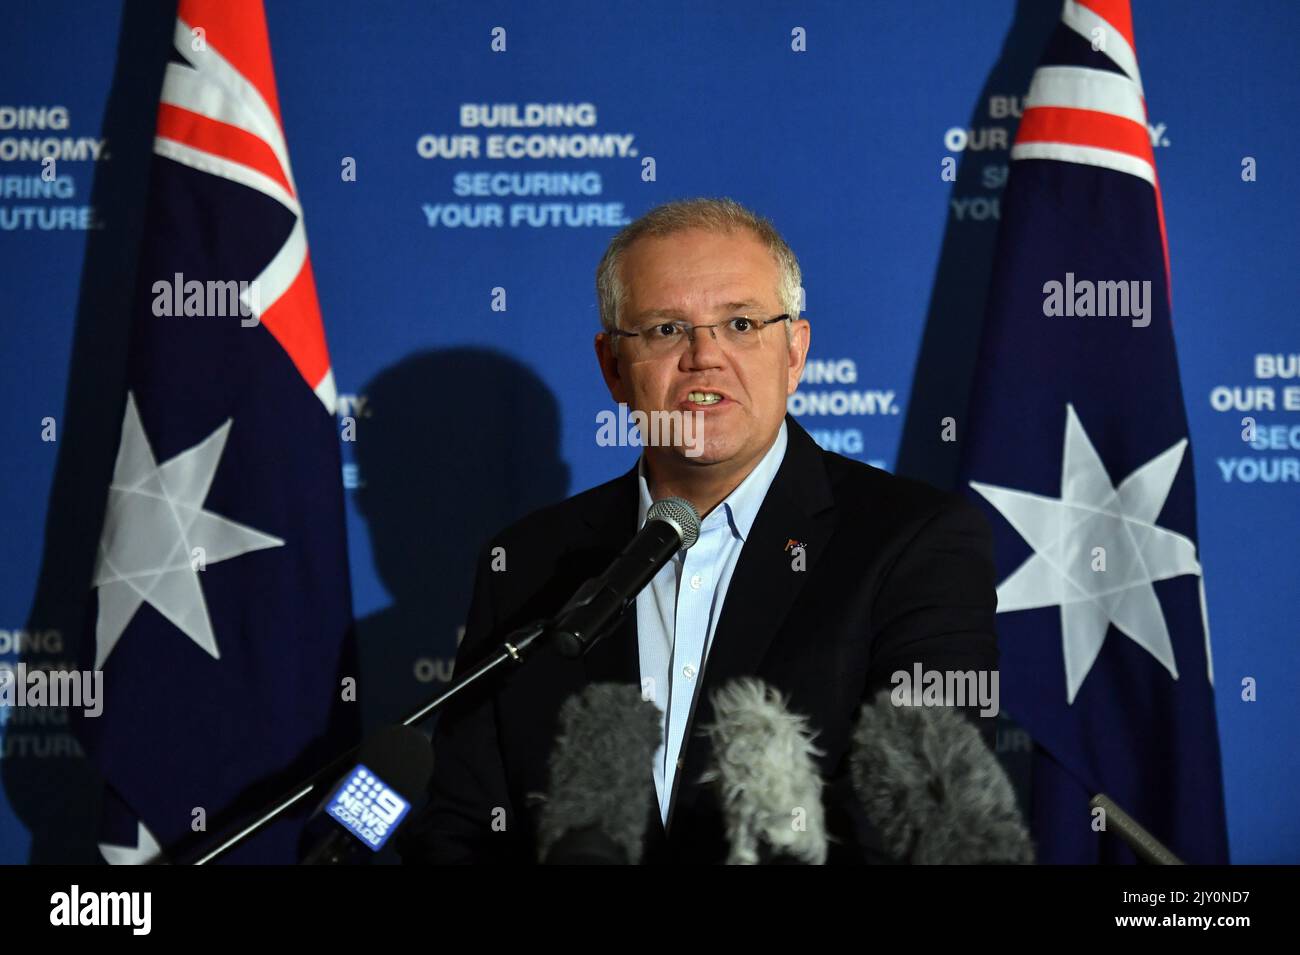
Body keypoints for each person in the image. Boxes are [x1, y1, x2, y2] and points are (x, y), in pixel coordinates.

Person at [398, 197, 998, 863]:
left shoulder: (913, 543)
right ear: (613, 368)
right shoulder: (530, 564)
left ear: (794, 352)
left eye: (740, 323)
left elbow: (917, 822)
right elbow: (465, 827)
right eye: (663, 330)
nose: (704, 357)